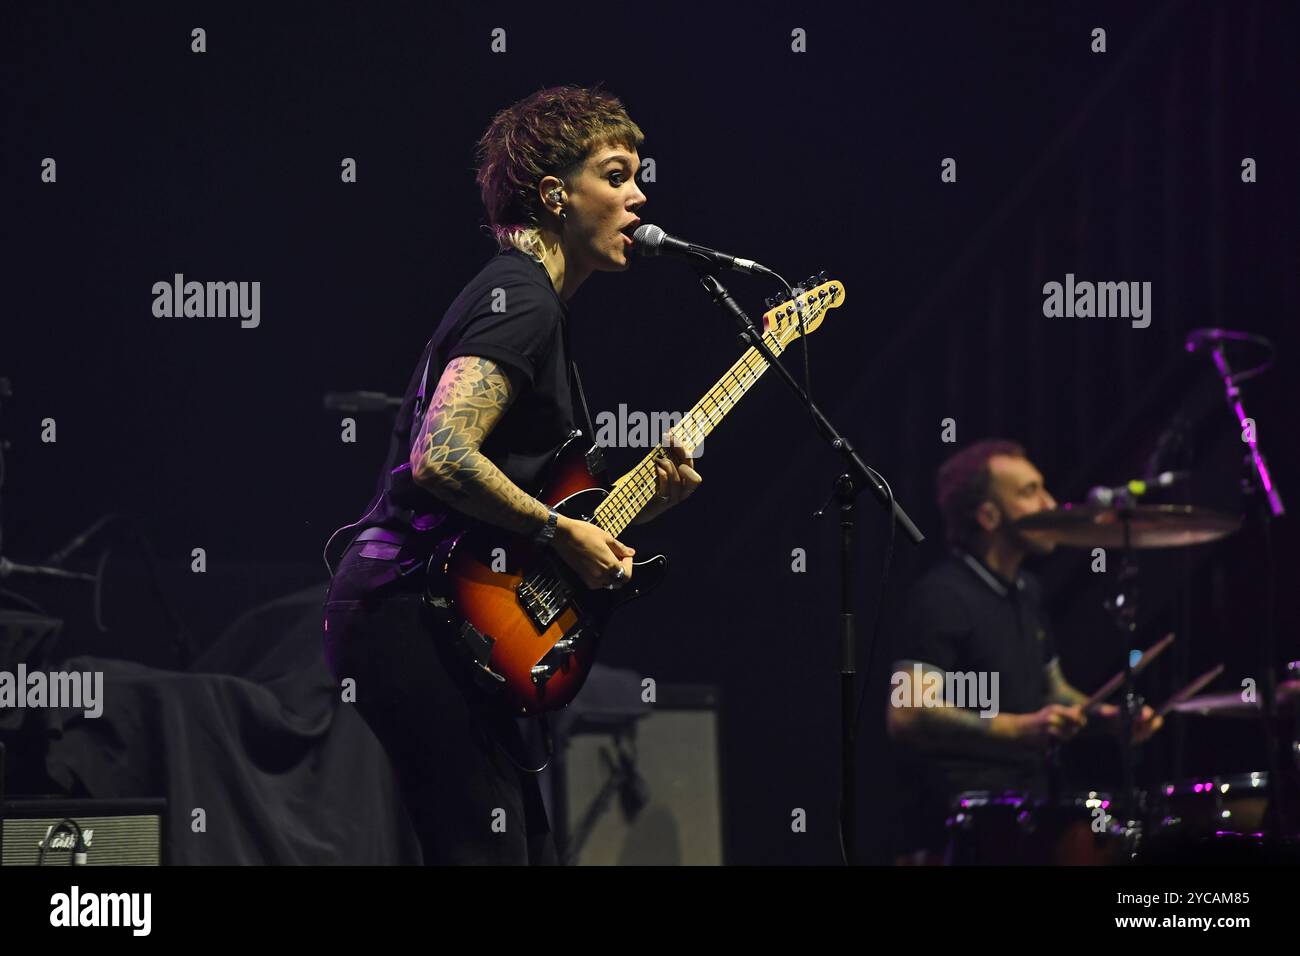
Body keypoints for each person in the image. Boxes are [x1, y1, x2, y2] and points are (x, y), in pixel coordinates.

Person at [321, 85, 701, 865]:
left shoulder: (531, 302)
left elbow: (513, 490)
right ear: (556, 194)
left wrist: (639, 505)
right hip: (414, 615)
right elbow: (441, 456)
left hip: (445, 618)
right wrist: (563, 531)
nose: (640, 194)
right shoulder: (521, 300)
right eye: (618, 173)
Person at [887, 439, 1162, 864]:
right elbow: (906, 711)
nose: (1050, 503)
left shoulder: (1026, 592)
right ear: (988, 515)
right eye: (1029, 491)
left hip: (1031, 802)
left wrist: (1109, 718)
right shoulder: (941, 596)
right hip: (964, 817)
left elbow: (1054, 692)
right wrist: (1017, 728)